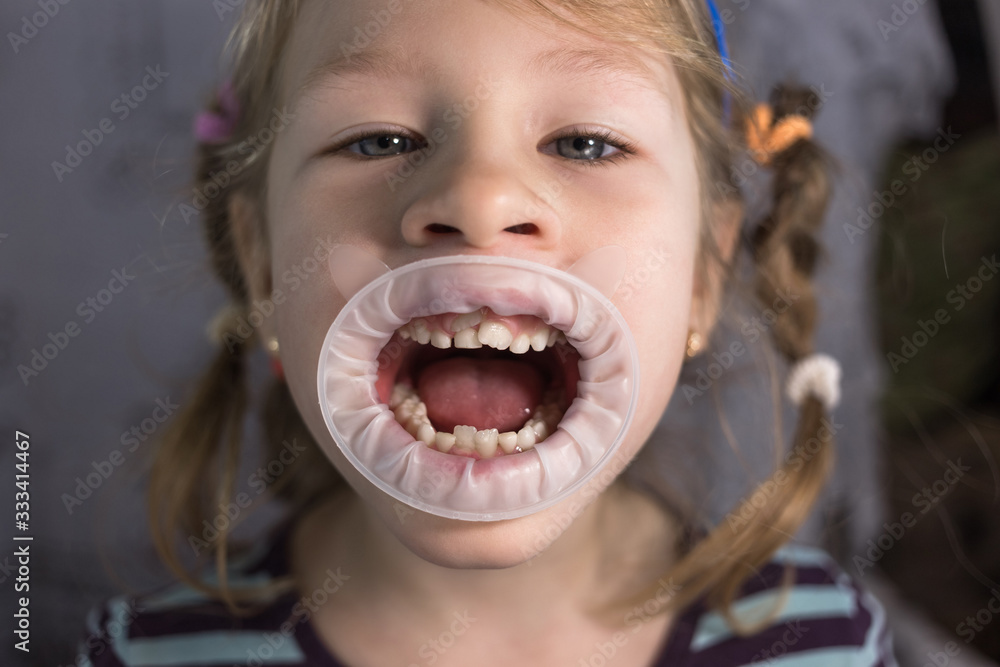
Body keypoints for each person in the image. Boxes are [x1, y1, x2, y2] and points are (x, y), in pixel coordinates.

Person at [76, 0, 894, 664]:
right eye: (379, 139)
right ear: (261, 268)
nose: (477, 199)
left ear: (704, 275)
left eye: (586, 142)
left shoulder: (822, 643)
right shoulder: (145, 655)